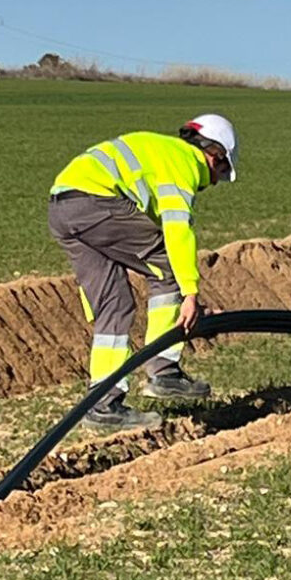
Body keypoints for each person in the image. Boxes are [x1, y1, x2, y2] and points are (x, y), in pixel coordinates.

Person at [48, 113, 239, 429]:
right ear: (214, 153)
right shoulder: (184, 163)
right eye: (221, 170)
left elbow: (141, 227)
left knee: (115, 304)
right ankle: (164, 370)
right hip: (96, 202)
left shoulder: (160, 150)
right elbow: (176, 231)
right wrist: (189, 292)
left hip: (61, 207)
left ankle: (103, 404)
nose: (216, 181)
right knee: (169, 267)